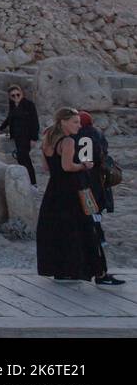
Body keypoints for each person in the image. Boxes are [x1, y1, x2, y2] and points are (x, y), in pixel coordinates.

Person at [35, 107, 106, 283]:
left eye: (80, 122)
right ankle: (94, 271)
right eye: (75, 122)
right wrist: (83, 165)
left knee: (57, 230)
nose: (78, 125)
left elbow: (45, 167)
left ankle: (60, 269)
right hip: (73, 189)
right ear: (63, 122)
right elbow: (68, 167)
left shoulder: (48, 139)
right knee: (83, 228)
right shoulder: (67, 141)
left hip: (54, 189)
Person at [76, 112, 125, 286]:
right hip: (97, 185)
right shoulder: (96, 134)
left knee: (91, 221)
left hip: (89, 187)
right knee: (95, 219)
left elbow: (86, 161)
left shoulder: (84, 137)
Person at [0, 84, 39, 187]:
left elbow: (35, 122)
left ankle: (33, 182)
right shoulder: (13, 105)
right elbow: (10, 118)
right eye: (13, 96)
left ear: (22, 93)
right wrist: (1, 127)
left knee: (25, 158)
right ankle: (26, 180)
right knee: (20, 159)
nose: (16, 97)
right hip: (17, 136)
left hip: (26, 137)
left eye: (18, 94)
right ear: (10, 97)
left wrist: (34, 138)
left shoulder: (29, 105)